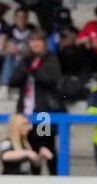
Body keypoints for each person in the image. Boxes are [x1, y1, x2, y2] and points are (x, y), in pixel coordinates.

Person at [8, 29, 64, 169]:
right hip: (25, 113)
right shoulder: (25, 60)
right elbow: (13, 81)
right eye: (32, 41)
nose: (35, 44)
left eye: (38, 41)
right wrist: (25, 71)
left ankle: (54, 178)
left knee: (46, 145)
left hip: (43, 113)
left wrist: (35, 71)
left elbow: (52, 80)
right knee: (29, 145)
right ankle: (34, 177)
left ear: (44, 43)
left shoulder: (51, 59)